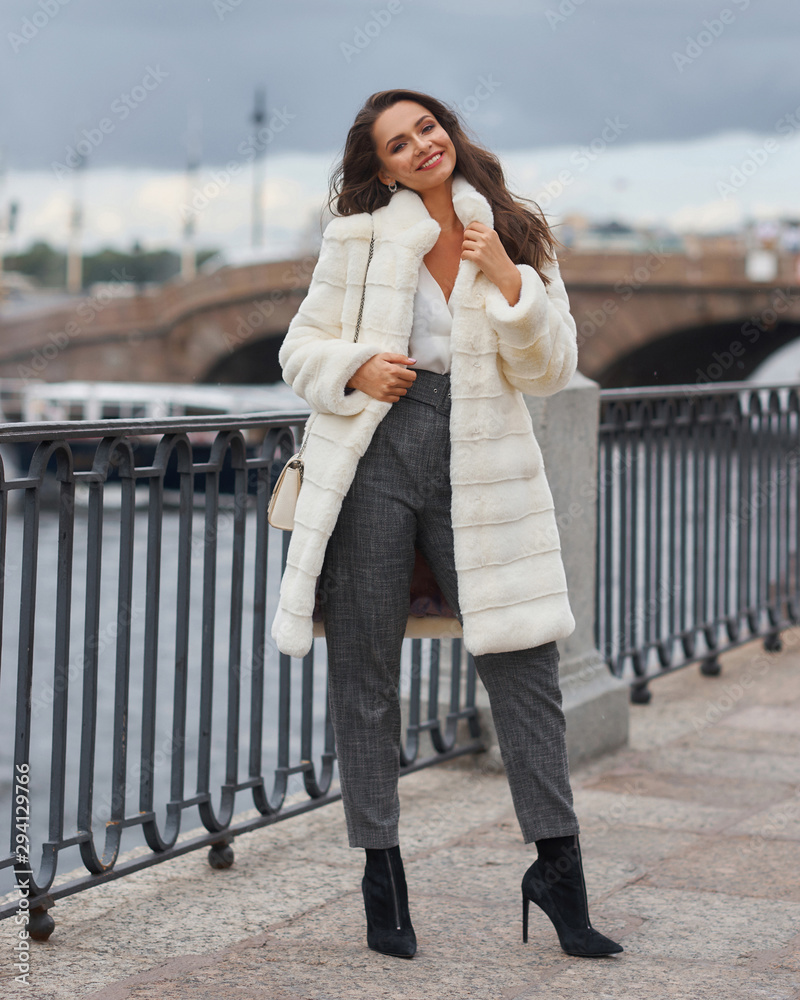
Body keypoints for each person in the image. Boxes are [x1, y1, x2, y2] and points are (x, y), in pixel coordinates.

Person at [271, 89, 623, 960]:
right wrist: (357, 367)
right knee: (364, 671)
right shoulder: (358, 237)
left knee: (523, 661)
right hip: (375, 454)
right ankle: (381, 875)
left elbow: (552, 368)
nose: (420, 145)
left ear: (448, 132)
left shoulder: (512, 229)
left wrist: (507, 277)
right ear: (380, 165)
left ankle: (559, 873)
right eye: (398, 142)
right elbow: (298, 349)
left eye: (426, 127)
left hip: (480, 457)